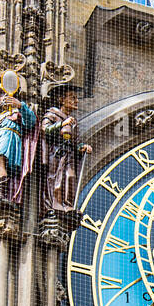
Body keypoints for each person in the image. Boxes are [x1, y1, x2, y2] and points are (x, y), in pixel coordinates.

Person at [0, 86, 37, 204]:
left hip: (10, 138)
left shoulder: (17, 113)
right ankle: (0, 192)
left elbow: (30, 123)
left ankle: (2, 192)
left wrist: (20, 105)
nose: (2, 99)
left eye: (3, 95)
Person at [40, 85, 91, 215]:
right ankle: (53, 206)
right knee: (56, 178)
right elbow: (45, 131)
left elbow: (76, 143)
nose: (76, 101)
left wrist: (82, 147)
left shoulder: (73, 123)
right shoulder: (52, 115)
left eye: (76, 98)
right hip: (56, 153)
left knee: (70, 176)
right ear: (62, 100)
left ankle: (67, 205)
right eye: (72, 98)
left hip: (68, 155)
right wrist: (61, 124)